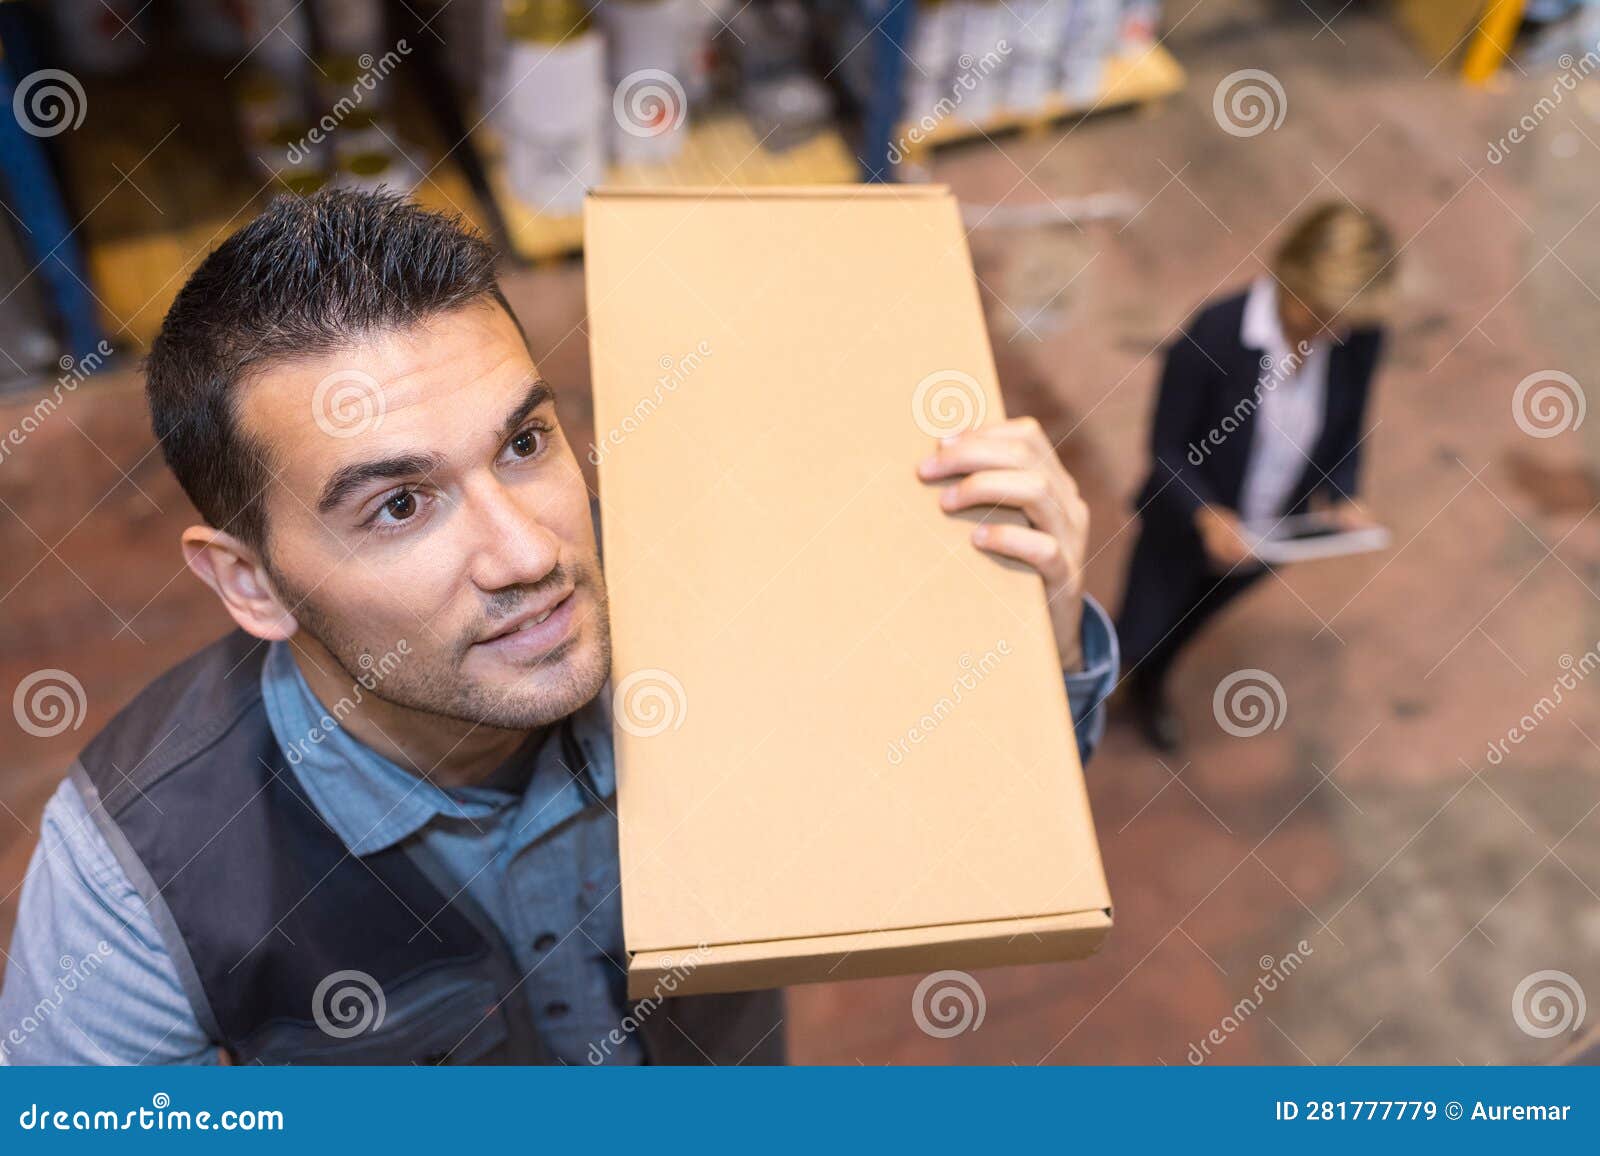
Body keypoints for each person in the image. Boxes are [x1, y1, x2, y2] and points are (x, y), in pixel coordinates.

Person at [0, 190, 1118, 1065]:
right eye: (399, 504)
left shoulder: (704, 603)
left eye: (523, 445)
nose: (530, 554)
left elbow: (969, 820)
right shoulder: (137, 887)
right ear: (250, 584)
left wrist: (1030, 632)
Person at [1118, 202, 1396, 751]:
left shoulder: (1355, 337)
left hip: (1271, 532)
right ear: (1291, 276)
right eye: (1319, 313)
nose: (1330, 331)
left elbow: (1348, 428)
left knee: (1195, 617)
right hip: (1185, 526)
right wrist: (1206, 514)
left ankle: (1152, 679)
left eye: (1342, 319)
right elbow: (1166, 449)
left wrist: (1343, 493)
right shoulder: (1216, 332)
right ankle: (1112, 683)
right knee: (1142, 620)